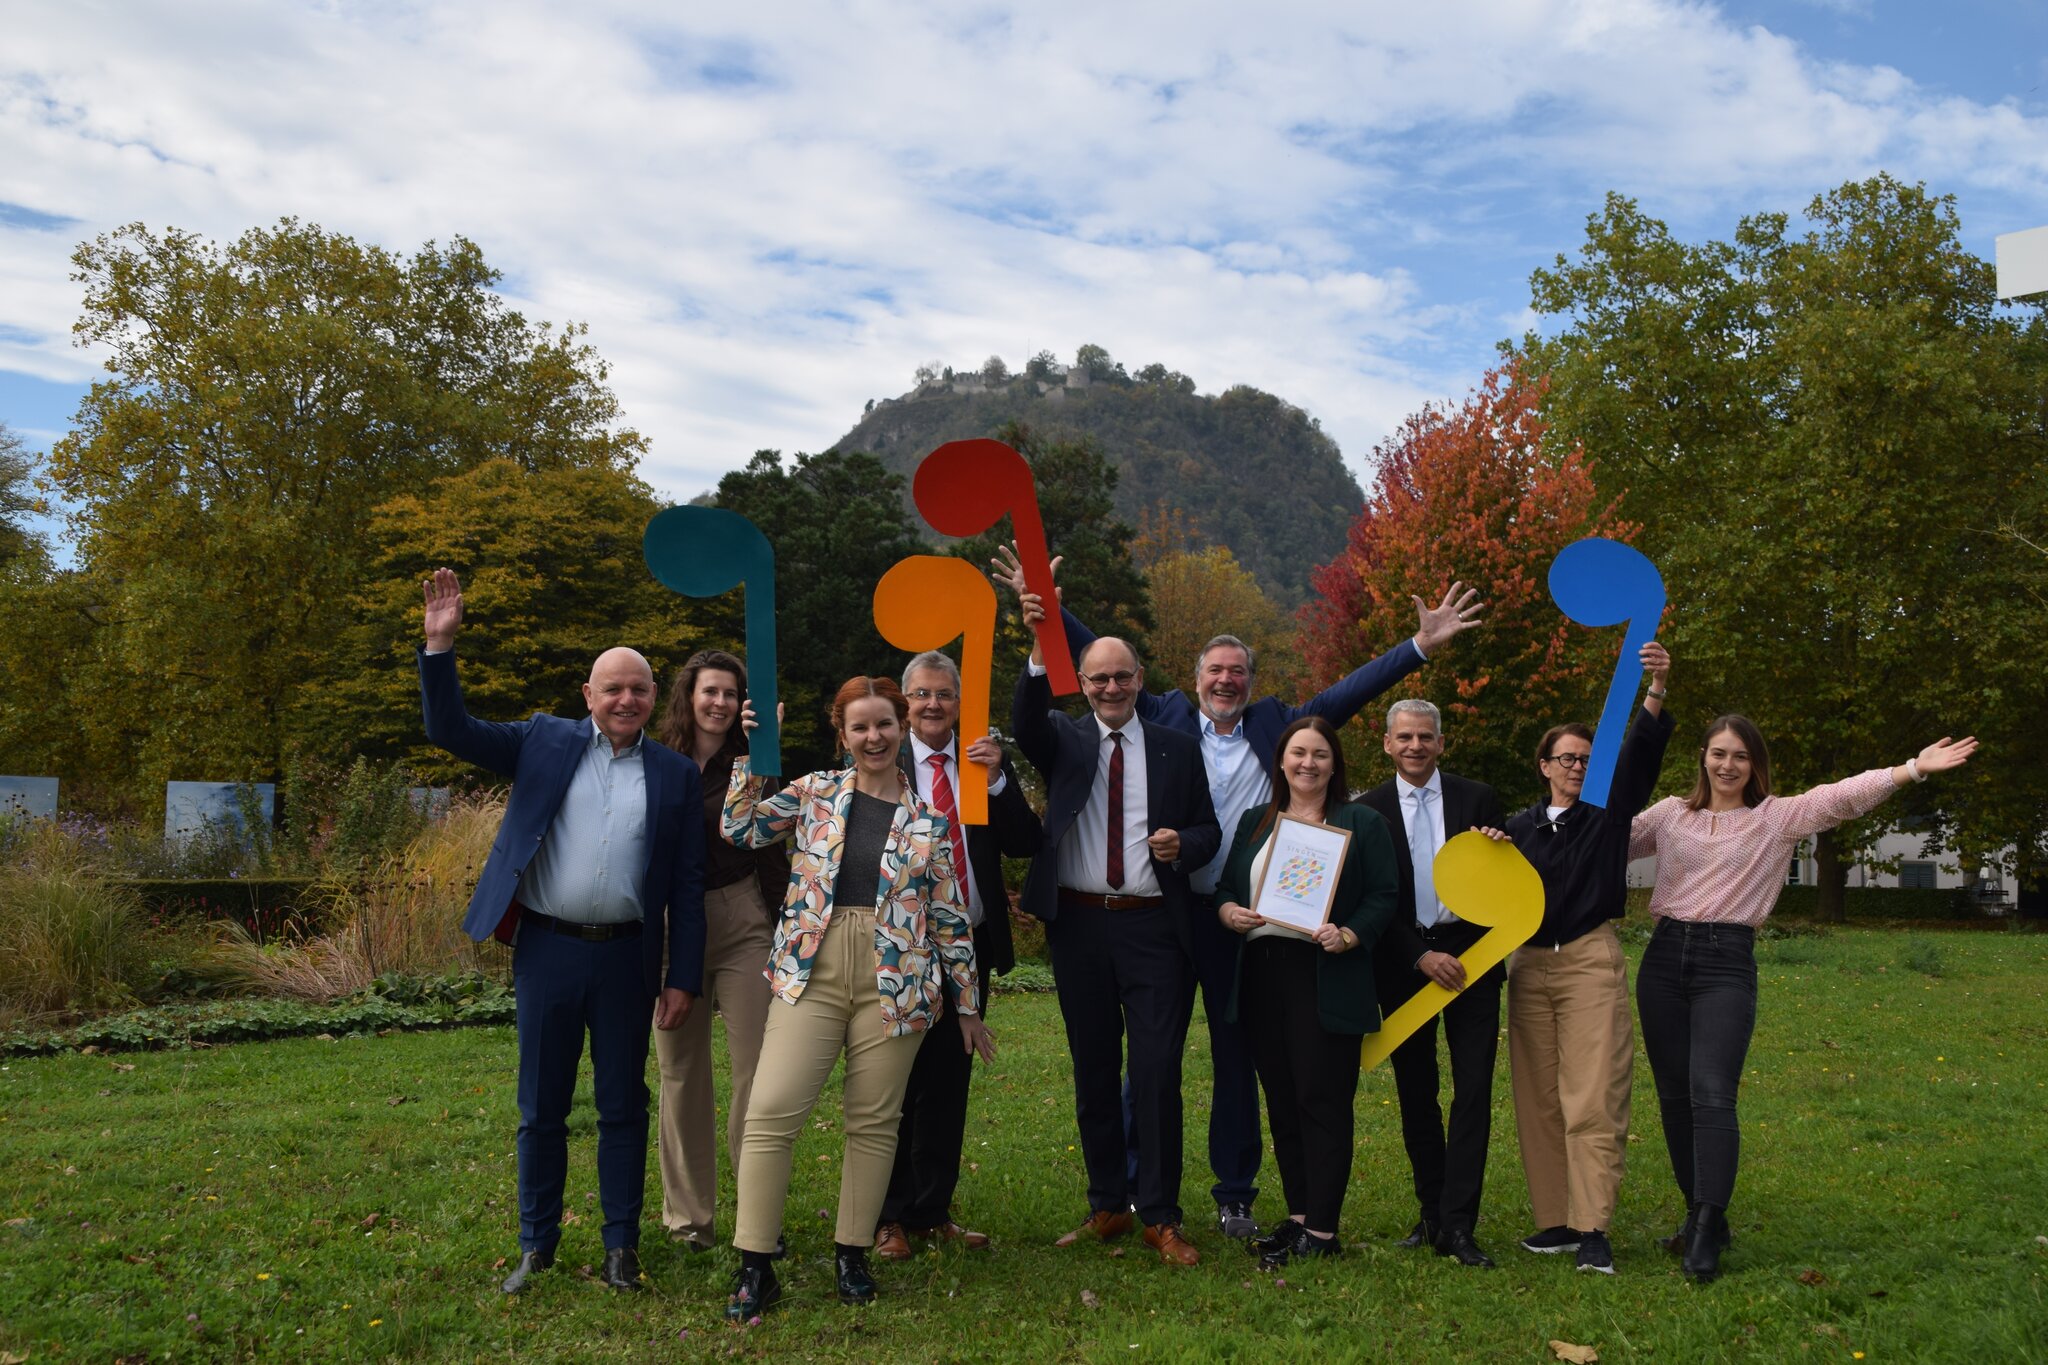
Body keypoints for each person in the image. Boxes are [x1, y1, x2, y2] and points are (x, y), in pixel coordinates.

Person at [999, 542, 1483, 1239]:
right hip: (1163, 912)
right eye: (1215, 670)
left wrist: (1418, 646)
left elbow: (1347, 695)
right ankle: (1130, 1189)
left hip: (1246, 919)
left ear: (1253, 682)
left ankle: (1234, 1192)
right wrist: (1042, 600)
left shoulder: (1276, 725)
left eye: (1237, 672)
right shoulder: (1159, 715)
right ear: (1192, 678)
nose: (1225, 681)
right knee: (1150, 1057)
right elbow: (1101, 659)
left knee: (1236, 1056)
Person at [415, 567, 706, 1295]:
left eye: (639, 687)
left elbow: (686, 886)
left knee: (621, 1106)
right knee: (541, 1107)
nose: (626, 698)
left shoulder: (674, 773)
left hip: (625, 960)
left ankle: (620, 1250)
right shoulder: (542, 741)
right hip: (546, 950)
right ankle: (536, 1246)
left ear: (652, 695)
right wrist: (440, 648)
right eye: (612, 687)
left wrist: (683, 976)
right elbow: (449, 729)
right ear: (588, 695)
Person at [1629, 720, 1977, 1283]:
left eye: (1740, 756)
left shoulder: (1776, 818)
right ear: (1702, 758)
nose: (1727, 766)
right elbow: (1604, 840)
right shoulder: (1671, 814)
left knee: (1712, 1093)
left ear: (1755, 764)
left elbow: (1839, 798)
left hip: (1726, 961)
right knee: (1674, 1096)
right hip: (1664, 960)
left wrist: (1910, 769)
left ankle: (1707, 1227)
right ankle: (1700, 1216)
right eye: (1718, 754)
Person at [719, 677, 991, 1319]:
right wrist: (751, 754)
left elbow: (950, 916)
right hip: (812, 966)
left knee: (873, 1121)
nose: (874, 737)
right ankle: (754, 1263)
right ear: (842, 735)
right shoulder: (813, 793)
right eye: (860, 728)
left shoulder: (929, 821)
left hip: (897, 980)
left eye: (885, 726)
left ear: (901, 730)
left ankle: (852, 1253)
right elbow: (739, 830)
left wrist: (968, 1006)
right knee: (771, 1109)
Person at [1011, 628, 1221, 1265]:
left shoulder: (1179, 749)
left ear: (1139, 679)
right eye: (1098, 678)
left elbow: (1209, 830)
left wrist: (1182, 843)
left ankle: (1160, 1215)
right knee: (1094, 1069)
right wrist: (1036, 645)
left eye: (1121, 676)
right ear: (1081, 679)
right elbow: (1023, 720)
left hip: (1154, 928)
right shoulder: (1062, 737)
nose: (1110, 688)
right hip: (1078, 927)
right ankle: (1107, 1204)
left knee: (1157, 1072)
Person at [1501, 641, 1672, 1276]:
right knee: (1540, 1096)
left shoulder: (1608, 813)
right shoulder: (1517, 827)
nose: (1577, 766)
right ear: (1544, 765)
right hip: (1528, 967)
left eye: (1586, 758)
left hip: (1588, 960)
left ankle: (1594, 1226)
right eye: (1566, 758)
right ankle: (1557, 1221)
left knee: (1593, 1094)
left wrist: (1653, 692)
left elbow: (1640, 759)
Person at [873, 651, 1043, 1262]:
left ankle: (930, 1211)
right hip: (900, 950)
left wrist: (998, 781)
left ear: (960, 702)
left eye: (945, 694)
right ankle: (886, 1216)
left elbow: (1026, 842)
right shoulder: (883, 764)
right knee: (895, 1085)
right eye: (921, 695)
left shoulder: (982, 766)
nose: (933, 705)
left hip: (967, 945)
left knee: (949, 1082)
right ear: (905, 703)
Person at [1214, 716, 1400, 1266]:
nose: (1308, 763)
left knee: (1321, 1100)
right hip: (1263, 974)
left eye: (1320, 754)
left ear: (1334, 763)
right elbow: (1226, 888)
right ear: (1281, 760)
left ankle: (1322, 1232)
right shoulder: (1255, 821)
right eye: (1298, 752)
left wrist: (1348, 933)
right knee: (1283, 1101)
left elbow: (1384, 896)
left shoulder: (1361, 823)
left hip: (1325, 974)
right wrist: (1230, 912)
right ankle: (1297, 1217)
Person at [1359, 699, 1508, 1267]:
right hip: (1404, 961)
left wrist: (1500, 849)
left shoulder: (1478, 798)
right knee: (1416, 1091)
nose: (1416, 746)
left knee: (1472, 1092)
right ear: (1388, 744)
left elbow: (1495, 881)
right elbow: (1373, 896)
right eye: (1405, 737)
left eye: (1426, 736)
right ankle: (1431, 1213)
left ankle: (1460, 1225)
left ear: (1441, 742)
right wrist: (1418, 956)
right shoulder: (1368, 809)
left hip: (1472, 956)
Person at [650, 650, 790, 1252]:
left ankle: (755, 1220)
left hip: (741, 919)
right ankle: (689, 1222)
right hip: (669, 929)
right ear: (689, 696)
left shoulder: (753, 762)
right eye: (711, 691)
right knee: (681, 1072)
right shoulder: (657, 763)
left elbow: (770, 846)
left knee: (758, 1073)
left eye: (731, 694)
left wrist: (788, 926)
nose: (720, 703)